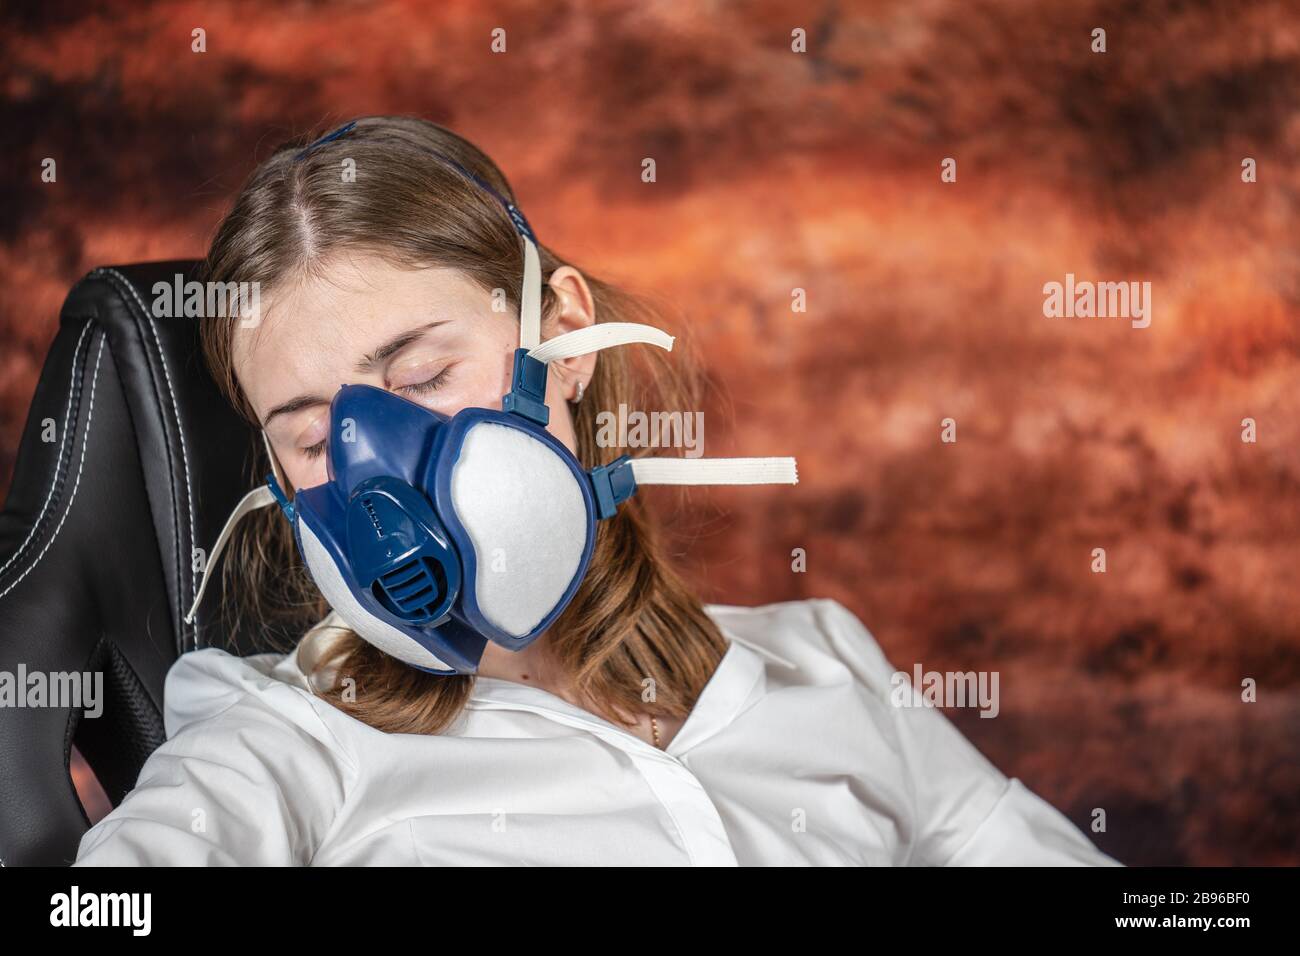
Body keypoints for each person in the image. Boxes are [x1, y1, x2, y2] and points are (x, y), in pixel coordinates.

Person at [74, 116, 1119, 866]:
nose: (376, 469)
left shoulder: (823, 664)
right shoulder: (277, 746)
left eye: (424, 377)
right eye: (311, 435)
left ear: (563, 337)